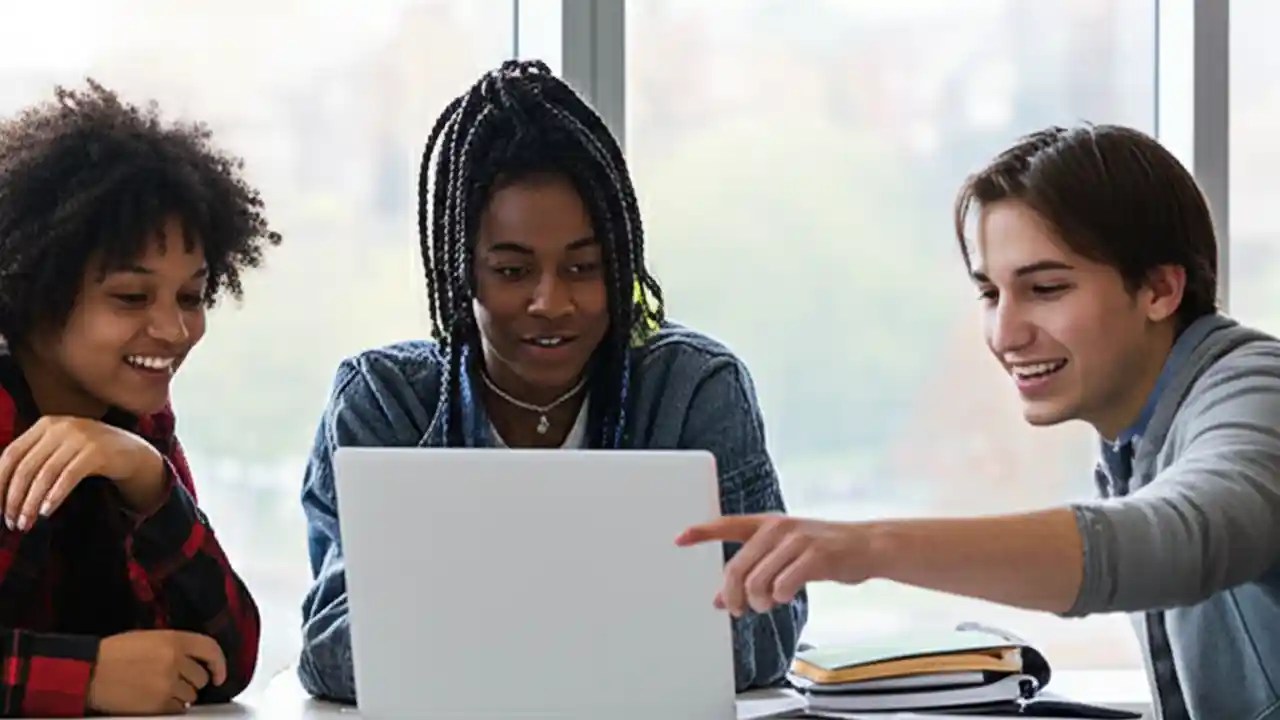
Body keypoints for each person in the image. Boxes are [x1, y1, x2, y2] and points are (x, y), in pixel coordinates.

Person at [679, 124, 1280, 719]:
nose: (1005, 334)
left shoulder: (1256, 392)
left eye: (1046, 288)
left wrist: (867, 547)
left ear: (1160, 289)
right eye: (991, 294)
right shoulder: (1142, 437)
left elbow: (1180, 537)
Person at [298, 59, 806, 701]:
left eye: (583, 267)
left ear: (618, 264)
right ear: (463, 273)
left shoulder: (696, 388)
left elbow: (764, 636)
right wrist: (624, 631)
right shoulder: (383, 401)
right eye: (512, 272)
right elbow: (335, 651)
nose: (551, 302)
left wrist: (471, 632)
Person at [0, 81, 278, 717]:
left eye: (190, 297)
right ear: (31, 291)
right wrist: (87, 676)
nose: (175, 332)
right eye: (131, 298)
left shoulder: (135, 424)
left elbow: (225, 658)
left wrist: (148, 479)